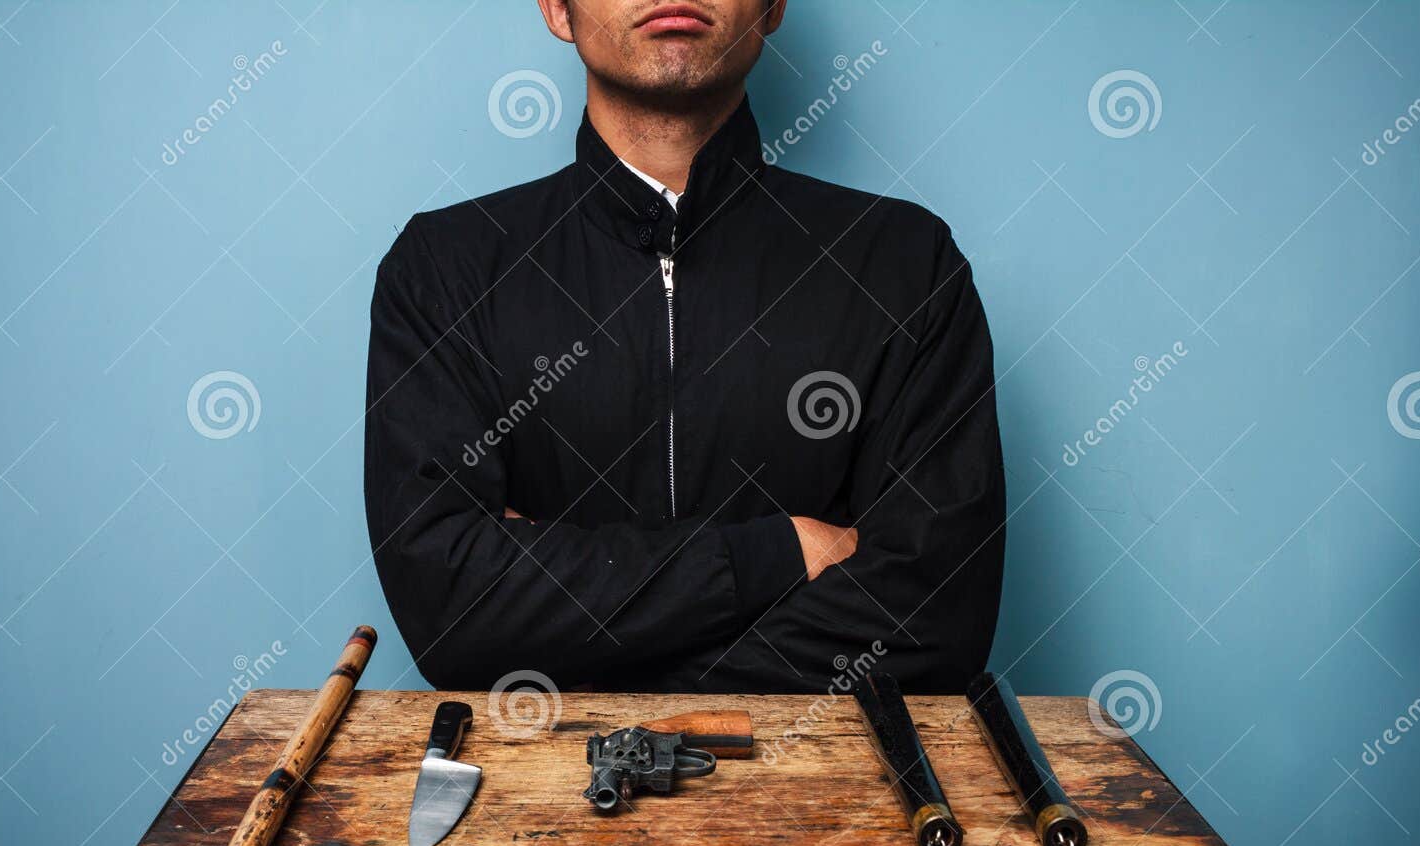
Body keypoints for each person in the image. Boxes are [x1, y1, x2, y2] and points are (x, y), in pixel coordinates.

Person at [365, 0, 1004, 693]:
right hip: (531, 794)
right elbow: (455, 608)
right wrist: (777, 554)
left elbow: (934, 620)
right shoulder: (443, 269)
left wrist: (582, 643)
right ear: (556, 8)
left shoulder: (905, 265)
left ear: (774, 7)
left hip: (827, 793)